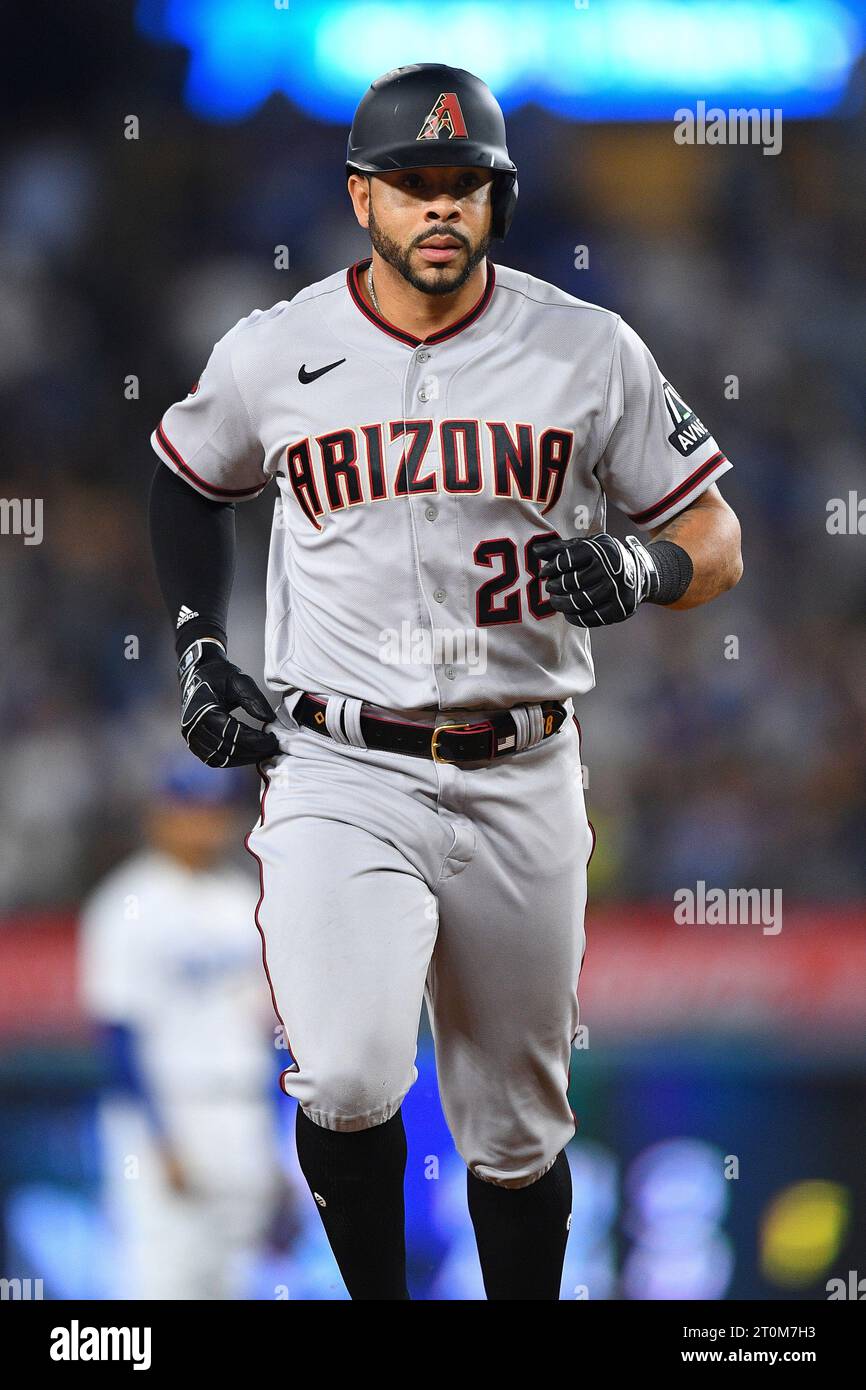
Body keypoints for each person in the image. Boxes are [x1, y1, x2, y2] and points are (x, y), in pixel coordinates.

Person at [147, 63, 742, 1300]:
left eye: (464, 185)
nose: (439, 207)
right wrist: (203, 643)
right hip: (337, 761)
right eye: (413, 183)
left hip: (522, 764)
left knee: (517, 1132)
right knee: (352, 1077)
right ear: (360, 197)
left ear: (499, 203)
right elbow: (187, 477)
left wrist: (640, 560)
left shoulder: (586, 347)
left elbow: (715, 541)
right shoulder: (278, 349)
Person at [78, 759, 293, 1299]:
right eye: (189, 809)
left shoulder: (242, 901)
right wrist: (161, 1140)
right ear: (160, 816)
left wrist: (273, 1140)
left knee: (239, 1279)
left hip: (240, 1110)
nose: (203, 822)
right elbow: (119, 1037)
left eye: (212, 810)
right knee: (161, 1281)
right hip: (167, 1112)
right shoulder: (124, 903)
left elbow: (266, 1034)